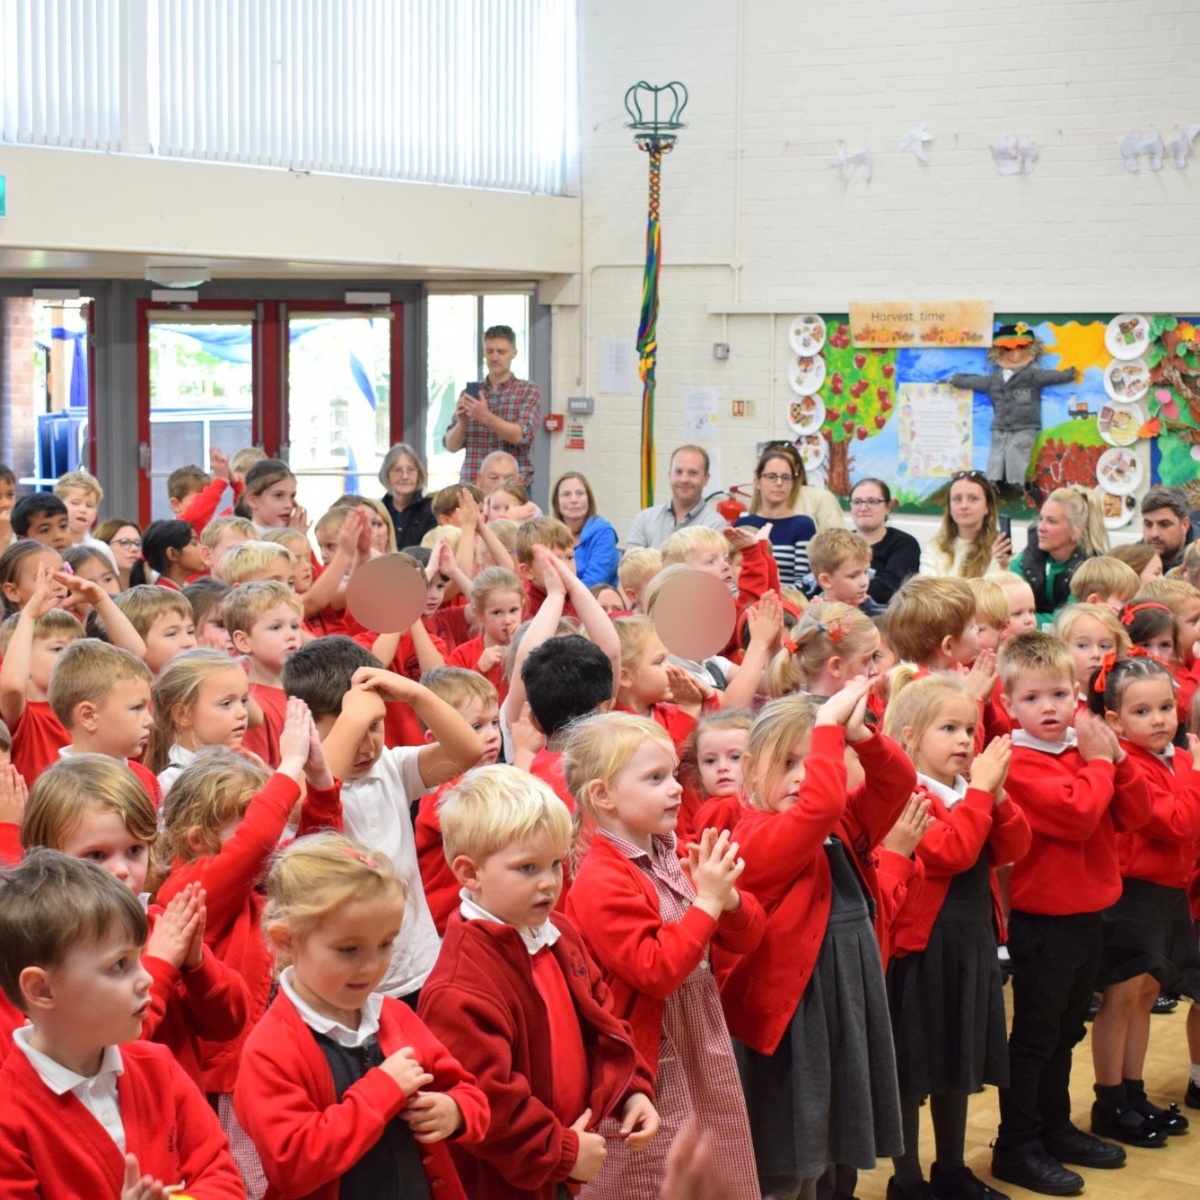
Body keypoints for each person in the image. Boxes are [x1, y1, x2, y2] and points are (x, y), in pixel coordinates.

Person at [419, 763, 659, 1200]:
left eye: (555, 863)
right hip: (508, 1182)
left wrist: (631, 1090)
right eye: (527, 868)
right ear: (469, 873)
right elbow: (489, 1103)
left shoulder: (559, 932)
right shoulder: (460, 986)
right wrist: (563, 1152)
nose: (549, 882)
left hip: (558, 1166)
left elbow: (603, 1020)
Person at [562, 711, 764, 1200]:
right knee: (653, 1176)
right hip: (650, 1058)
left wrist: (730, 900)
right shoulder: (599, 880)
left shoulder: (674, 852)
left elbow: (751, 935)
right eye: (655, 778)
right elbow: (657, 971)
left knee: (715, 1166)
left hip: (700, 1040)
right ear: (603, 796)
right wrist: (708, 902)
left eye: (674, 774)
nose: (676, 788)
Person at [723, 685, 913, 1200]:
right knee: (786, 1161)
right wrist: (827, 731)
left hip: (842, 1010)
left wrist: (859, 737)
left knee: (823, 1160)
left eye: (815, 759)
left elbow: (898, 782)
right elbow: (819, 804)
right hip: (792, 1026)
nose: (804, 776)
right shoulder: (755, 837)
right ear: (749, 768)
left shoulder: (840, 824)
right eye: (787, 762)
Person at [234, 832, 490, 1200]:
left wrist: (455, 1111)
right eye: (349, 949)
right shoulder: (271, 1049)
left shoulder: (395, 1015)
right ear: (288, 940)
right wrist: (382, 1091)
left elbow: (467, 1091)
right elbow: (293, 1165)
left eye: (385, 944)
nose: (371, 966)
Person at [990, 632, 1152, 1196]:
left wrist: (1111, 759)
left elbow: (1134, 815)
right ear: (1010, 703)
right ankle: (1016, 1144)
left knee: (1064, 1033)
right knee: (1035, 1038)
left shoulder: (1083, 752)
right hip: (1044, 922)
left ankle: (1054, 1127)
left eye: (1060, 694)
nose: (1049, 707)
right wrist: (1102, 763)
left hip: (1089, 916)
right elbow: (1080, 816)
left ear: (1078, 695)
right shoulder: (1017, 761)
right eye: (1033, 698)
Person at [0, 850, 245, 1199]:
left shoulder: (159, 1067)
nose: (147, 978)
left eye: (139, 958)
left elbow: (223, 1181)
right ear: (42, 989)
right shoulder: (9, 1116)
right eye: (120, 966)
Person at [882, 676, 1029, 1200]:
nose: (966, 740)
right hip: (921, 953)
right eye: (949, 728)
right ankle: (907, 1179)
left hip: (970, 945)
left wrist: (999, 794)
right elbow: (953, 851)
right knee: (913, 1069)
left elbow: (1013, 846)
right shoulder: (906, 793)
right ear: (911, 736)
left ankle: (950, 1169)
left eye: (971, 728)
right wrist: (984, 794)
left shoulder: (973, 793)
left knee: (957, 1061)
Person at [282, 637, 484, 1006]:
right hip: (349, 982)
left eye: (376, 727)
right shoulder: (292, 782)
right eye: (351, 731)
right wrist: (356, 716)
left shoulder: (392, 766)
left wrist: (414, 694)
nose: (367, 746)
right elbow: (300, 804)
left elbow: (467, 750)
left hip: (419, 963)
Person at [1088, 654, 1200, 1147]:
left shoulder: (1169, 759)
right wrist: (1197, 773)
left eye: (1165, 708)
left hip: (1167, 894)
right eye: (1141, 712)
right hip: (1131, 896)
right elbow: (1178, 823)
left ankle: (1133, 1092)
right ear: (1114, 720)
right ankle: (1109, 1099)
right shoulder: (1129, 766)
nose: (1158, 720)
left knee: (1146, 995)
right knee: (1121, 997)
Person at [443, 324, 542, 487]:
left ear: (514, 353)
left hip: (512, 487)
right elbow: (451, 446)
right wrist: (462, 422)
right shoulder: (471, 393)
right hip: (473, 484)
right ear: (484, 352)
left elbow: (522, 435)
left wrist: (484, 416)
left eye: (501, 352)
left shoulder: (527, 390)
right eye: (490, 351)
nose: (495, 357)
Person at [1012, 487, 1107, 623]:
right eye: (1041, 518)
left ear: (1076, 531)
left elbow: (1069, 621)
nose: (1040, 527)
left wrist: (1026, 621)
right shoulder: (1027, 559)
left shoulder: (1092, 570)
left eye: (1051, 521)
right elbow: (1006, 611)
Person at [734, 447, 818, 590]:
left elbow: (804, 582)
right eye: (772, 476)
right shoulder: (743, 525)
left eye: (785, 477)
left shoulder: (803, 525)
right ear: (757, 482)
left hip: (789, 607)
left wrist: (769, 598)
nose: (779, 483)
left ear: (792, 483)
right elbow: (733, 573)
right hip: (746, 604)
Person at [625, 444, 728, 550]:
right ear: (670, 475)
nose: (684, 479)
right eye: (678, 472)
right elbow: (632, 564)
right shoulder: (644, 519)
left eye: (692, 473)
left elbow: (707, 566)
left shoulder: (715, 525)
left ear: (706, 478)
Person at [921, 471, 1012, 579]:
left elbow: (997, 592)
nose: (964, 506)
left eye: (973, 499)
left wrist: (1004, 566)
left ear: (987, 507)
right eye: (957, 499)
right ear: (949, 508)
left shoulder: (999, 549)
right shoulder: (934, 548)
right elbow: (928, 592)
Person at [849, 478, 920, 605]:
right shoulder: (837, 543)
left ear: (888, 507)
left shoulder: (905, 544)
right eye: (857, 502)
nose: (863, 508)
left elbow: (890, 590)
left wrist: (840, 588)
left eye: (872, 501)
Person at [551, 471, 619, 588]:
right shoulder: (549, 534)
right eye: (566, 494)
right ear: (557, 503)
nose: (574, 500)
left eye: (580, 493)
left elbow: (595, 581)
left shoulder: (604, 533)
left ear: (589, 499)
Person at [379, 441, 438, 549]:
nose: (405, 476)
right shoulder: (378, 512)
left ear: (418, 474)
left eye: (410, 470)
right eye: (398, 470)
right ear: (387, 475)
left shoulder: (432, 511)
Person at [1140, 486, 1193, 575]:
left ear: (1185, 525)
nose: (1154, 534)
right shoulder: (1131, 562)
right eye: (1148, 524)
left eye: (1164, 524)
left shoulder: (1197, 560)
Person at [96, 518, 143, 591]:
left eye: (138, 543)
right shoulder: (95, 590)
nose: (134, 549)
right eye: (124, 542)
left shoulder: (148, 590)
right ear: (104, 545)